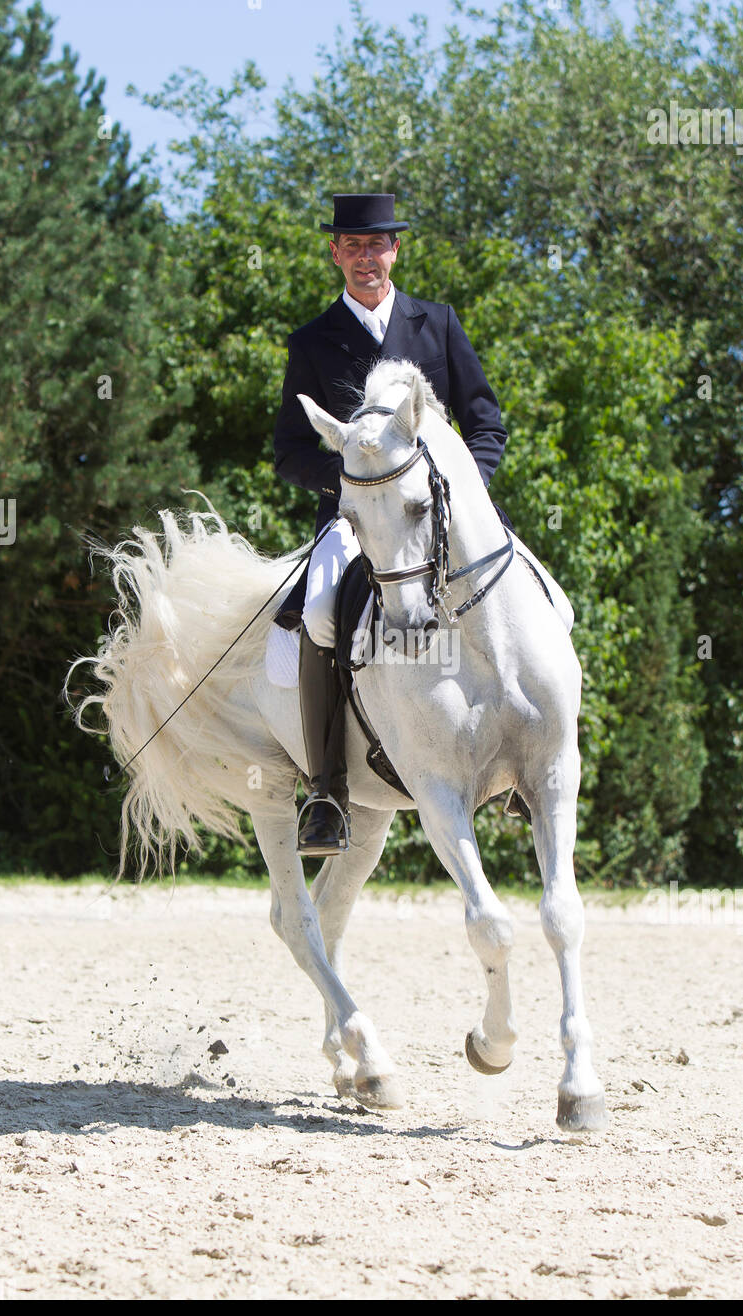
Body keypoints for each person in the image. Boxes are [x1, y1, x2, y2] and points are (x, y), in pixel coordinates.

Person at [273, 193, 569, 855]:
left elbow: (486, 422)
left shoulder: (436, 324)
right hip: (357, 520)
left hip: (446, 518)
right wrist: (355, 490)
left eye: (376, 246)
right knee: (321, 614)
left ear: (394, 251)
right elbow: (290, 452)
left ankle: (531, 754)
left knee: (551, 603)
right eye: (352, 246)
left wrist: (460, 494)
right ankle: (326, 790)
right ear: (335, 254)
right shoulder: (312, 341)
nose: (365, 258)